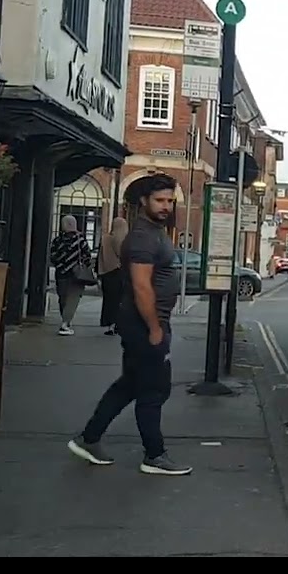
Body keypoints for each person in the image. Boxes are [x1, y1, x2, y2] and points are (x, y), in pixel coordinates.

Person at [68, 174, 192, 476]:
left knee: (129, 386)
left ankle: (89, 439)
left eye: (169, 201)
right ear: (143, 202)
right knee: (153, 390)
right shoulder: (142, 238)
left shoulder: (155, 233)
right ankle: (154, 455)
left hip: (143, 323)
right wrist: (154, 328)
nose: (166, 206)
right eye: (160, 200)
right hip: (143, 325)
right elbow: (141, 287)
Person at [49, 215, 92, 336]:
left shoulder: (57, 240)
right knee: (73, 298)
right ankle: (65, 322)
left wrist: (61, 263)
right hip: (76, 274)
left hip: (61, 273)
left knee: (63, 298)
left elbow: (52, 256)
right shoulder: (80, 240)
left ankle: (65, 320)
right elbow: (87, 255)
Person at [98, 216, 129, 335]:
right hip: (121, 273)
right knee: (122, 301)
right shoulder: (125, 240)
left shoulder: (105, 239)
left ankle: (110, 324)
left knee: (109, 301)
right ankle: (119, 324)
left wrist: (100, 273)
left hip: (107, 274)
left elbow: (100, 258)